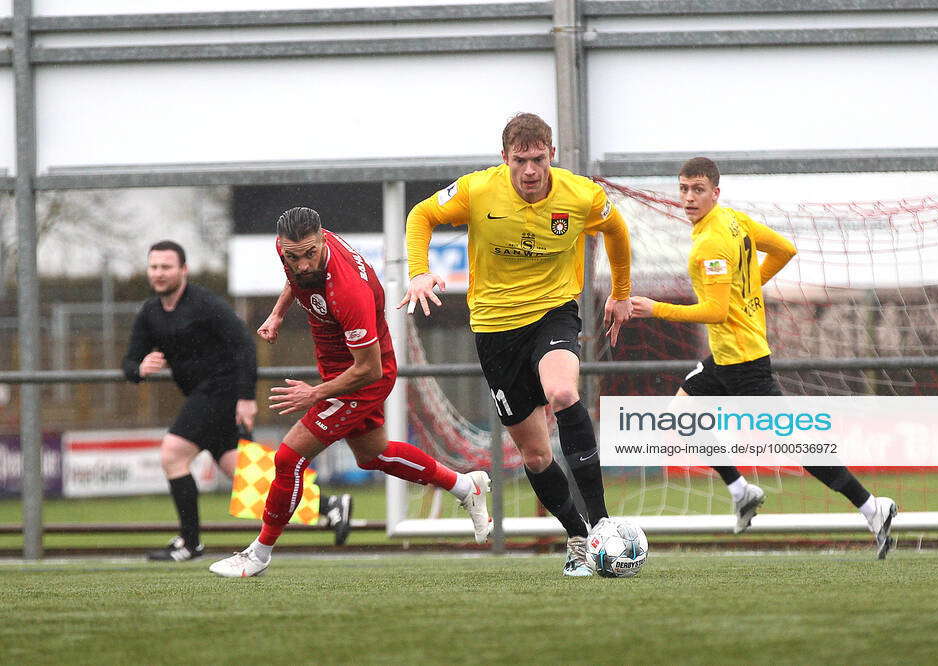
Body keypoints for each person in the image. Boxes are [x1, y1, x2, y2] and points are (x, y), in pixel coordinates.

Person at [629, 157, 898, 559]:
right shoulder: (733, 220)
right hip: (725, 358)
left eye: (698, 189)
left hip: (745, 364)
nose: (688, 197)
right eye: (684, 189)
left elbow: (716, 312)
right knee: (678, 416)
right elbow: (785, 249)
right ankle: (741, 491)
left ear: (714, 193)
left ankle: (872, 506)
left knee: (797, 444)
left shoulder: (710, 244)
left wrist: (656, 308)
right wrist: (748, 287)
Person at [400, 113, 633, 576]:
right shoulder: (477, 190)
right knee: (535, 453)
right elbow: (421, 214)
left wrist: (622, 294)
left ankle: (604, 522)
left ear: (552, 156)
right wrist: (418, 270)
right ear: (503, 158)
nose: (530, 170)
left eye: (539, 159)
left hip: (553, 312)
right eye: (521, 160)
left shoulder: (582, 195)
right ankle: (579, 536)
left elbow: (617, 233)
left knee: (564, 393)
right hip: (494, 330)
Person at [209, 208, 492, 577]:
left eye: (310, 254)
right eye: (293, 256)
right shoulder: (293, 249)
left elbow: (369, 369)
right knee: (373, 455)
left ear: (323, 239)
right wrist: (278, 313)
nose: (302, 264)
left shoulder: (348, 290)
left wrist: (315, 395)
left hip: (363, 377)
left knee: (288, 458)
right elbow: (295, 279)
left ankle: (258, 554)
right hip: (339, 369)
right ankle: (464, 485)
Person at [123, 240, 352, 561]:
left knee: (173, 454)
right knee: (244, 476)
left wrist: (246, 398)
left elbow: (244, 346)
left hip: (223, 392)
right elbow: (129, 363)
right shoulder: (150, 313)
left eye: (167, 267)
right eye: (154, 267)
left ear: (183, 270)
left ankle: (190, 543)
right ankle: (330, 506)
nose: (159, 273)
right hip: (203, 397)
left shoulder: (204, 304)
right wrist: (140, 368)